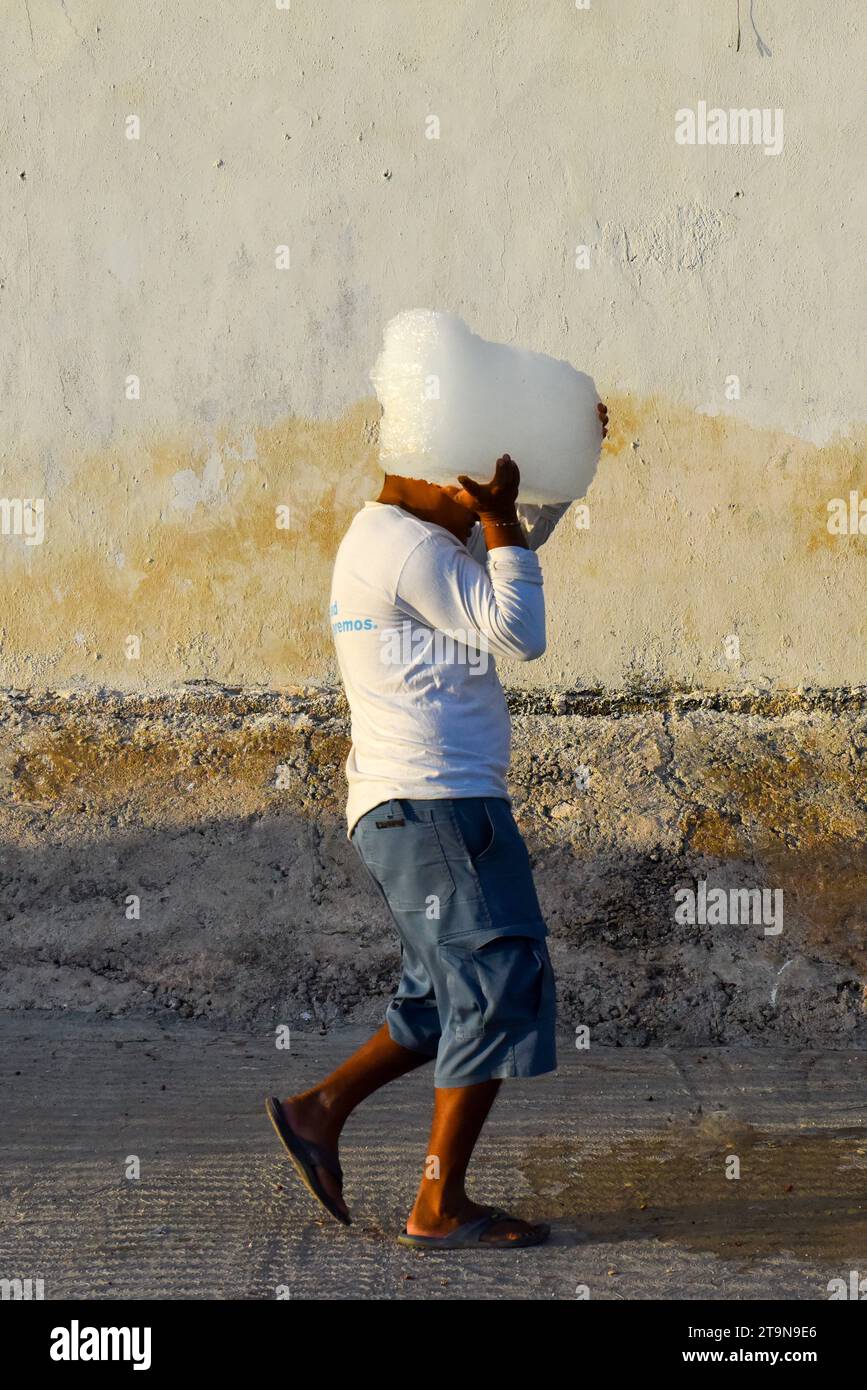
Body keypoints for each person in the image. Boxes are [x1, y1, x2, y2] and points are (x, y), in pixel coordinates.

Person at [267, 406, 609, 1249]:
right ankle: (437, 1206)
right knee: (500, 984)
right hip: (439, 808)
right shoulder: (415, 547)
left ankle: (318, 1111)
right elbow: (517, 629)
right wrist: (495, 520)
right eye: (468, 487)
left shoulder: (384, 535)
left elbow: (504, 565)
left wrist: (553, 468)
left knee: (435, 1000)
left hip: (408, 809)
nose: (477, 507)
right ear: (432, 470)